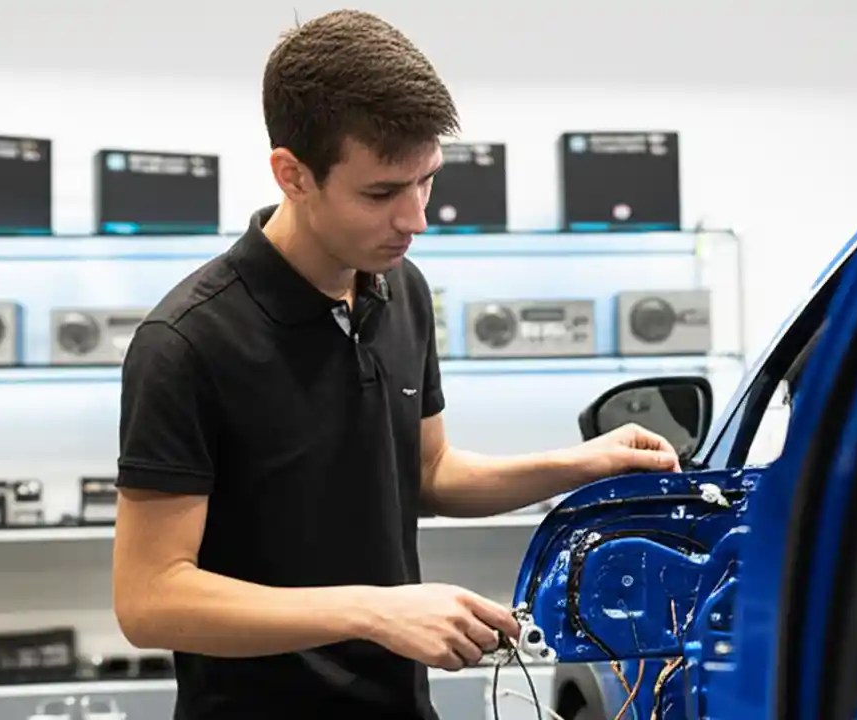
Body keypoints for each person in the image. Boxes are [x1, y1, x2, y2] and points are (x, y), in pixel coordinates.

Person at [110, 9, 682, 719]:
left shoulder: (399, 288)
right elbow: (151, 597)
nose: (415, 218)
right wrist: (375, 612)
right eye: (382, 193)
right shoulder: (187, 342)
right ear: (292, 174)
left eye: (427, 181)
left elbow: (427, 473)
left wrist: (583, 464)